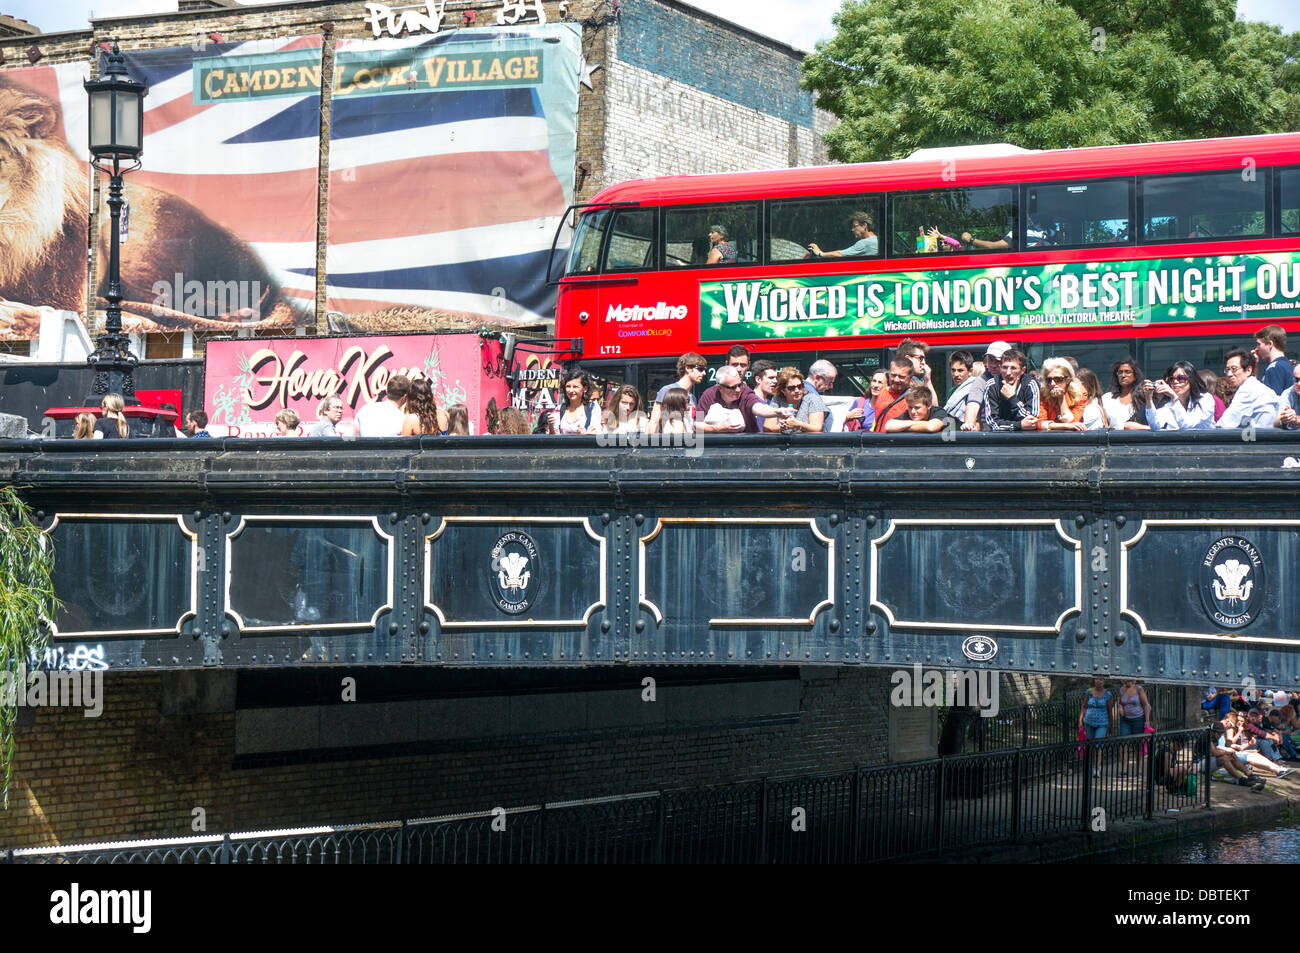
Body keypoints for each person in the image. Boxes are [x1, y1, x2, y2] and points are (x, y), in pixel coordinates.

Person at [697, 365, 787, 433]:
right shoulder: (708, 395)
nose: (738, 390)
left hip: (746, 447)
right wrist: (718, 428)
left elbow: (758, 407)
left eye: (739, 385)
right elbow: (697, 425)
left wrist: (777, 412)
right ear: (720, 388)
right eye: (732, 387)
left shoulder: (745, 392)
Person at [1217, 349, 1282, 429]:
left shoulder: (1247, 390)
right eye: (1227, 370)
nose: (1229, 374)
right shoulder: (1258, 387)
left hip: (1259, 438)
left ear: (1248, 370)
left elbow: (1225, 423)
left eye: (1234, 369)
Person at [1142, 361, 1215, 430]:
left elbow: (1186, 424)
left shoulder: (1205, 399)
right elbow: (1155, 425)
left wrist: (1174, 396)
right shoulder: (1170, 404)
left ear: (1191, 379)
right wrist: (1149, 399)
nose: (1175, 382)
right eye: (1172, 379)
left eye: (1181, 378)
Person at [980, 348, 1039, 431]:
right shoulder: (992, 385)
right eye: (1005, 367)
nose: (1008, 373)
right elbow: (993, 423)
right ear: (1000, 368)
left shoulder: (1030, 384)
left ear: (1022, 370)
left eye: (1013, 368)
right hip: (1000, 439)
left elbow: (1032, 421)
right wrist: (1018, 425)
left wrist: (1012, 398)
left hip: (1027, 439)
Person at [649, 353, 708, 432]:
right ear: (688, 368)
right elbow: (654, 421)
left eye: (705, 370)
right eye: (700, 369)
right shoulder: (667, 390)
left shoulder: (693, 397)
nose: (704, 373)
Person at [961, 341, 1012, 431]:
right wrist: (968, 424)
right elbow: (972, 405)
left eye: (998, 361)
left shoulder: (1021, 381)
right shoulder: (981, 381)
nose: (993, 365)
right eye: (990, 360)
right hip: (989, 437)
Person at [765, 367, 827, 434]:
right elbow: (767, 427)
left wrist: (797, 425)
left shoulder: (813, 399)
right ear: (783, 390)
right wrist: (783, 427)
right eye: (791, 388)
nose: (797, 390)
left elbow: (817, 428)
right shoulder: (777, 399)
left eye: (800, 386)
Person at [1034, 358, 1088, 431]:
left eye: (1058, 379)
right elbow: (1040, 423)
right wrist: (1066, 426)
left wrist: (1061, 399)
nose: (1052, 384)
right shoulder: (1043, 394)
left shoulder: (1080, 393)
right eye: (1049, 380)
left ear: (1068, 379)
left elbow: (1072, 422)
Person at [551, 368, 605, 435]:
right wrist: (551, 426)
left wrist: (586, 433)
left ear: (585, 388)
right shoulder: (559, 409)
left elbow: (597, 432)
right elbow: (554, 437)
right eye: (568, 386)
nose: (571, 390)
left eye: (575, 387)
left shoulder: (593, 408)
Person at [1078, 678, 1114, 777]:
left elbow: (1110, 711)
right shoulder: (1089, 692)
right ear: (1094, 680)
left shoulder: (1108, 695)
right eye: (1097, 679)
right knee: (1091, 745)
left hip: (1102, 724)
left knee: (1098, 744)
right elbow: (1084, 706)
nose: (1099, 681)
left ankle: (1097, 768)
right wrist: (1080, 719)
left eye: (1101, 680)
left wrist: (1111, 726)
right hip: (1088, 722)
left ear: (1104, 681)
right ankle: (1091, 766)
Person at [1101, 358, 1150, 430]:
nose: (1123, 375)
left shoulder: (1143, 397)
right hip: (1113, 438)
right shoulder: (1107, 398)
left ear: (1135, 376)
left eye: (1127, 372)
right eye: (1120, 372)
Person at [1116, 679, 1152, 776]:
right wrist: (1120, 707)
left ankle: (1139, 770)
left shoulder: (1139, 689)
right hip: (1125, 720)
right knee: (1123, 744)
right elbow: (1120, 702)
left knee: (1138, 745)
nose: (1127, 682)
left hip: (1138, 719)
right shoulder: (1121, 690)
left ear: (1132, 680)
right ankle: (1124, 770)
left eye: (1129, 680)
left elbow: (1146, 705)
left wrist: (1147, 720)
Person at [807, 211, 877, 259]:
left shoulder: (865, 243)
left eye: (855, 226)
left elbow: (840, 254)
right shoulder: (875, 239)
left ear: (864, 225)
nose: (852, 230)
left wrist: (820, 253)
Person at [871, 358, 915, 432]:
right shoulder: (881, 392)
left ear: (910, 378)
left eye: (901, 377)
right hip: (878, 440)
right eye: (893, 375)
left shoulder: (915, 397)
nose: (896, 380)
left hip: (898, 442)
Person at [896, 338, 939, 406]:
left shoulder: (917, 381)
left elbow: (934, 408)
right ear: (908, 359)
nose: (924, 363)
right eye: (920, 358)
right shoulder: (895, 382)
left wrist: (928, 381)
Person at [1253, 325, 1293, 395]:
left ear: (1270, 344)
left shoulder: (1274, 367)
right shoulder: (1285, 364)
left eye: (1259, 344)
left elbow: (1272, 400)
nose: (1257, 349)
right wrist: (1255, 365)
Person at [941, 351, 978, 421]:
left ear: (970, 371)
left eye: (960, 370)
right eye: (953, 370)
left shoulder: (976, 389)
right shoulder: (952, 390)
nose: (956, 374)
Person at [807, 359, 838, 432]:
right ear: (817, 378)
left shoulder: (803, 390)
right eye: (829, 382)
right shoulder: (811, 395)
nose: (831, 387)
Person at [1276, 364, 1300, 430]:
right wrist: (1284, 419)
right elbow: (1276, 422)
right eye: (1296, 379)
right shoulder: (1288, 393)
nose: (1299, 383)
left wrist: (1296, 419)